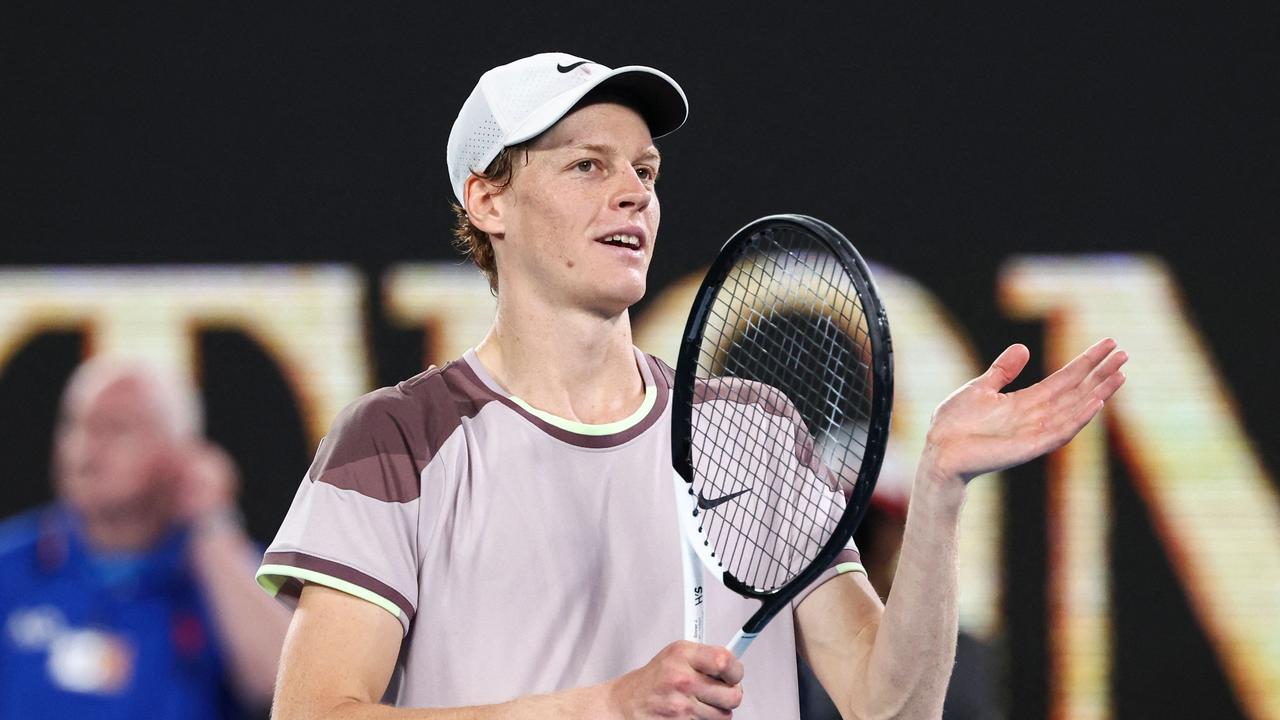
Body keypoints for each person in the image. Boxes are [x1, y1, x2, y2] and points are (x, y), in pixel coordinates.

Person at [259, 52, 1128, 719]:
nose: (633, 195)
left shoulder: (750, 430)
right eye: (587, 166)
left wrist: (939, 492)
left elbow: (888, 705)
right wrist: (605, 705)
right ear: (489, 201)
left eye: (645, 171)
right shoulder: (398, 439)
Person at [0, 356, 291, 719]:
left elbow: (287, 687)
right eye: (75, 425)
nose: (84, 451)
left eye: (116, 429)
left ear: (181, 452)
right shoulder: (10, 566)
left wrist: (211, 526)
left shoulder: (227, 573)